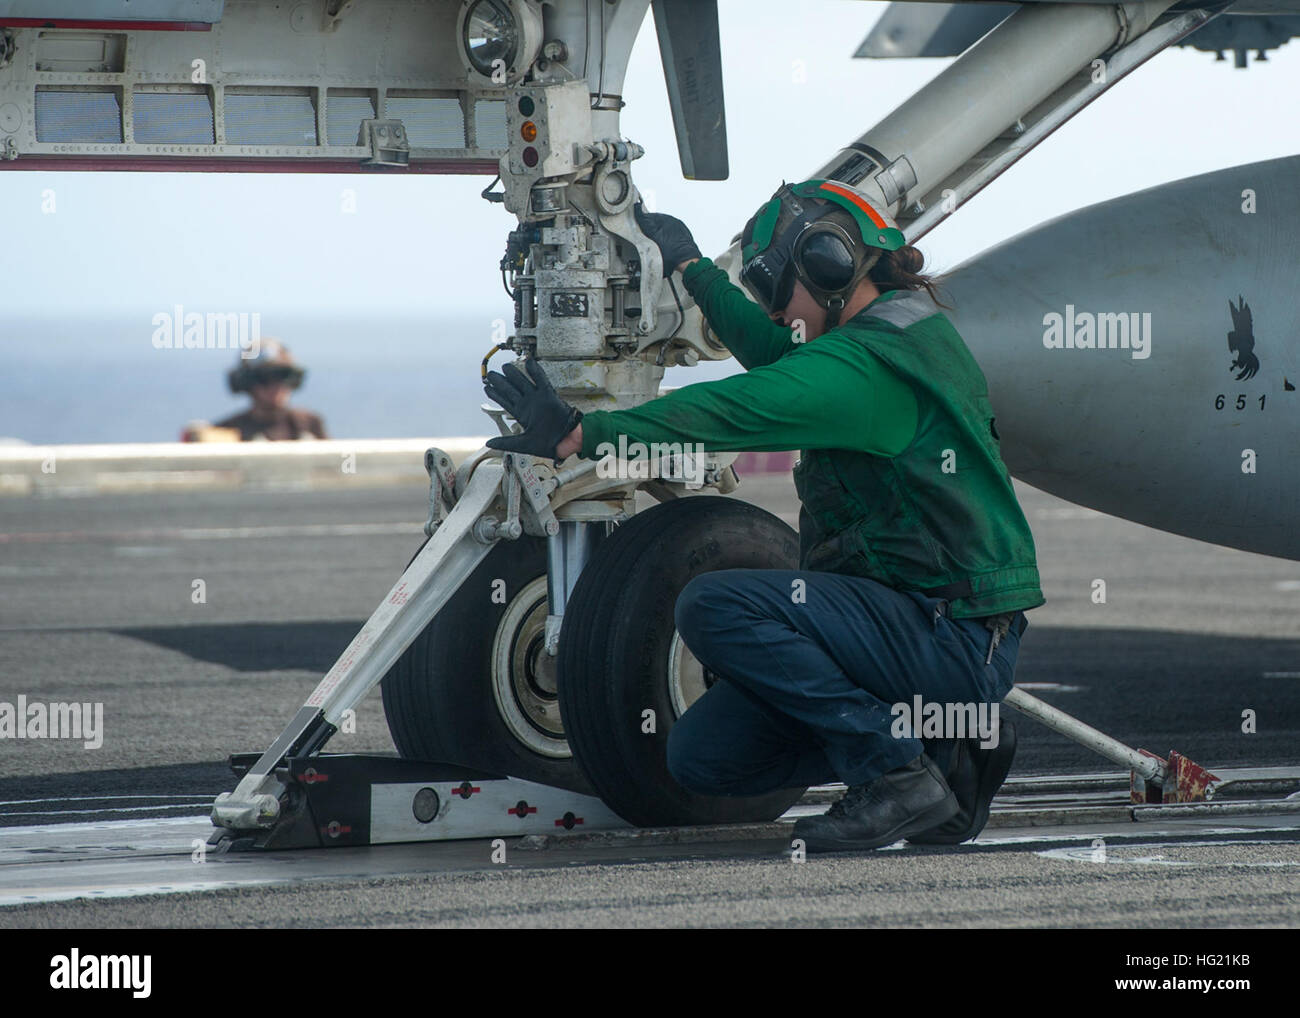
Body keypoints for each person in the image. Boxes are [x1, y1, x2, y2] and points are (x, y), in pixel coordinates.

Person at [483, 179, 1045, 852]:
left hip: (949, 634)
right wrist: (691, 267)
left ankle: (897, 773)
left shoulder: (867, 368)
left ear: (828, 264)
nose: (775, 314)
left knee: (716, 605)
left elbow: (737, 408)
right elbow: (774, 352)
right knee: (703, 759)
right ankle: (949, 738)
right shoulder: (889, 332)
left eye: (777, 291)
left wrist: (586, 434)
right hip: (908, 628)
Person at [186, 339, 327, 442]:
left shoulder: (308, 424)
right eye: (265, 378)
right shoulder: (227, 432)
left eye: (283, 376)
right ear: (249, 383)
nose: (276, 386)